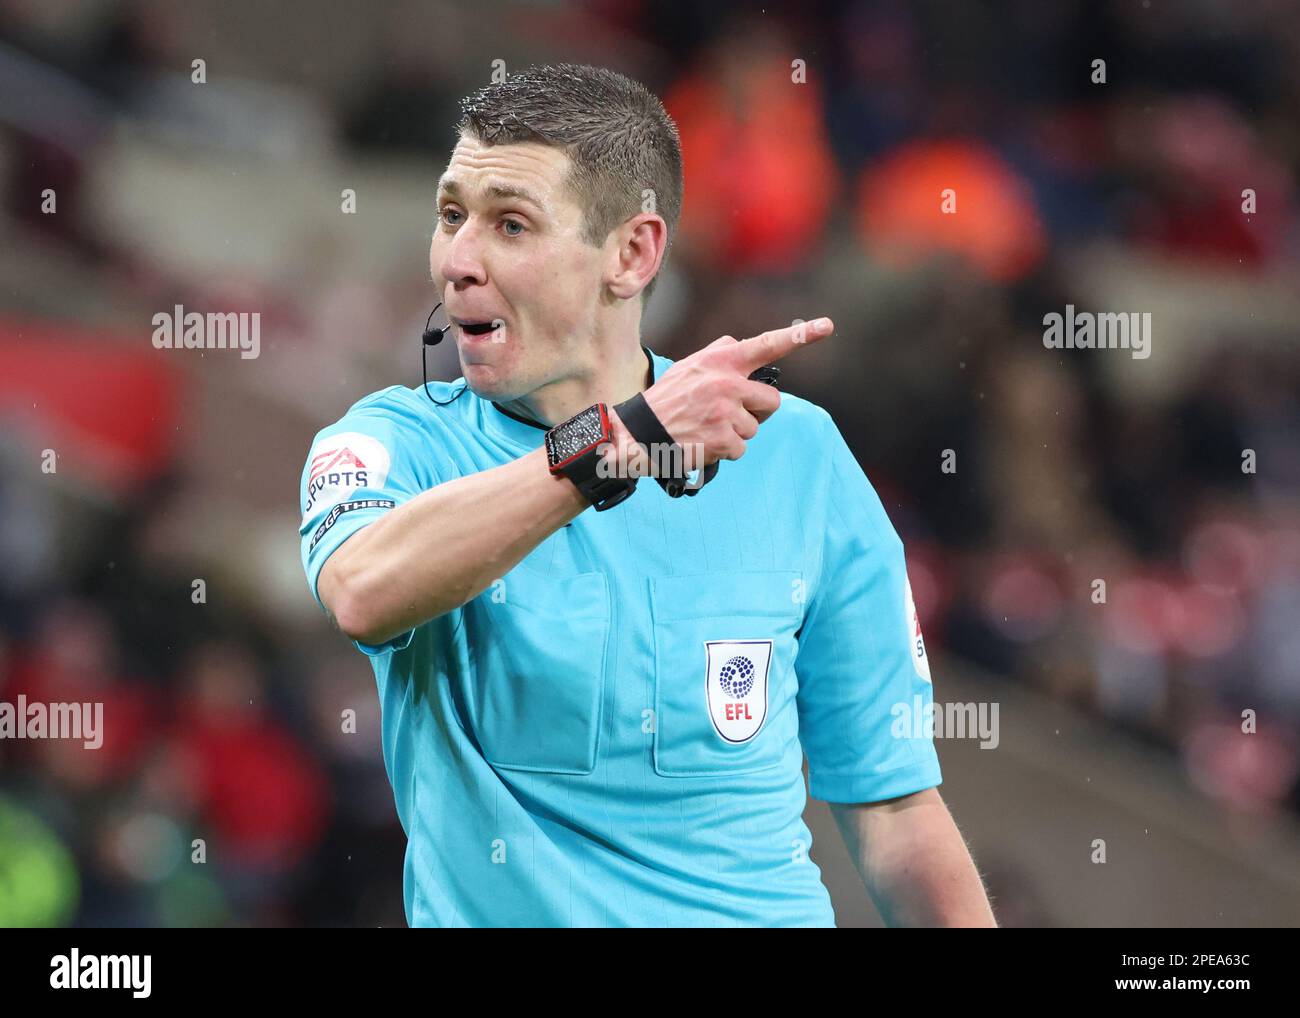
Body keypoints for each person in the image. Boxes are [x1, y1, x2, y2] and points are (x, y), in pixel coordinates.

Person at [298, 63, 994, 927]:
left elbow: (894, 811)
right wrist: (617, 442)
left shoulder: (795, 456)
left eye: (509, 224)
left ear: (631, 253)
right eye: (451, 216)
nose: (458, 262)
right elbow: (364, 592)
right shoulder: (393, 444)